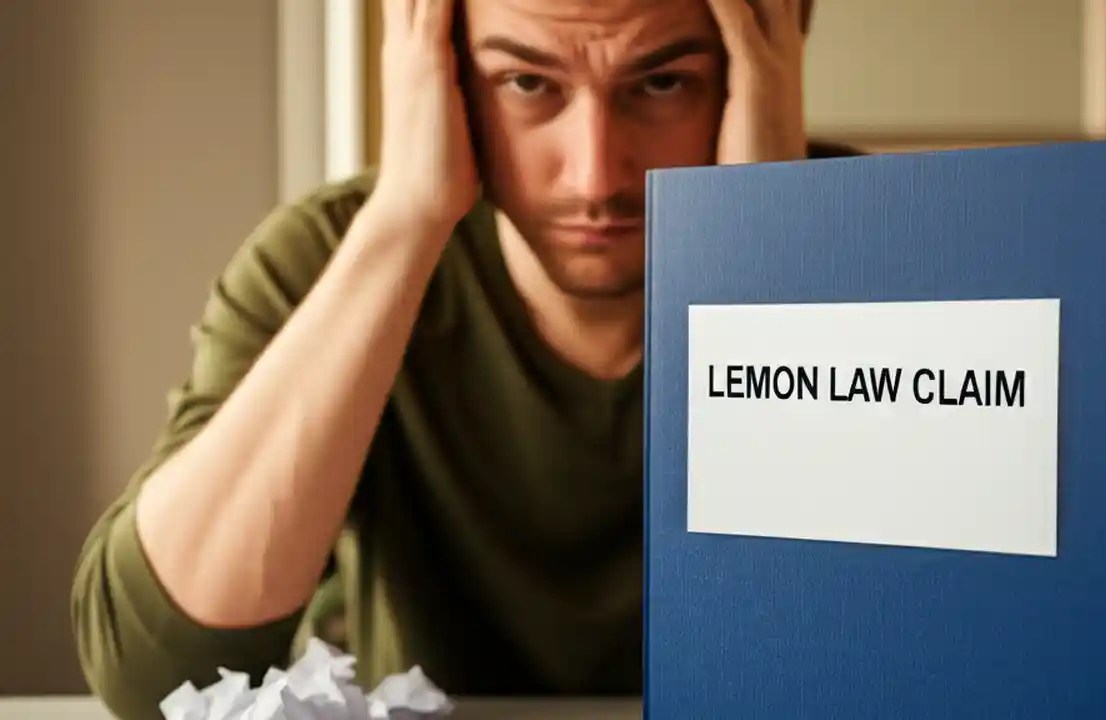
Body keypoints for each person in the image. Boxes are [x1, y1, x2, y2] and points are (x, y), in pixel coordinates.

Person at [70, 0, 856, 717]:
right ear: (437, 70)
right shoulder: (331, 257)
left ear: (768, 56)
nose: (596, 176)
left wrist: (768, 232)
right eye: (524, 82)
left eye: (660, 83)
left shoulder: (896, 243)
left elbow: (891, 652)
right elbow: (156, 676)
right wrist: (407, 217)